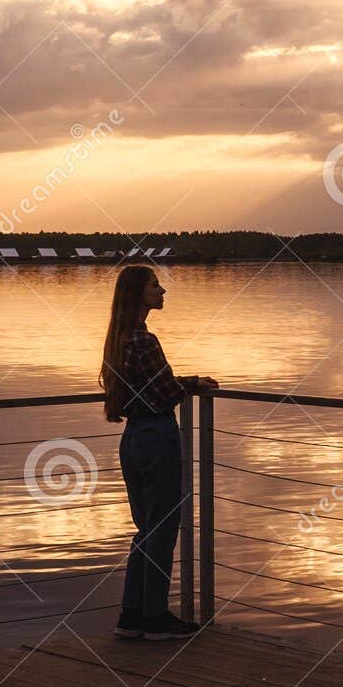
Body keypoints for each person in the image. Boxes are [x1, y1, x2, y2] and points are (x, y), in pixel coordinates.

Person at [99, 264, 218, 640]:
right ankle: (155, 617)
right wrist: (191, 383)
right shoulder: (143, 341)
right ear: (138, 294)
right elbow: (165, 392)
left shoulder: (118, 339)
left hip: (132, 438)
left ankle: (131, 615)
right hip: (156, 434)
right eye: (155, 286)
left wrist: (181, 381)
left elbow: (145, 386)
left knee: (145, 530)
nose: (162, 291)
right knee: (163, 530)